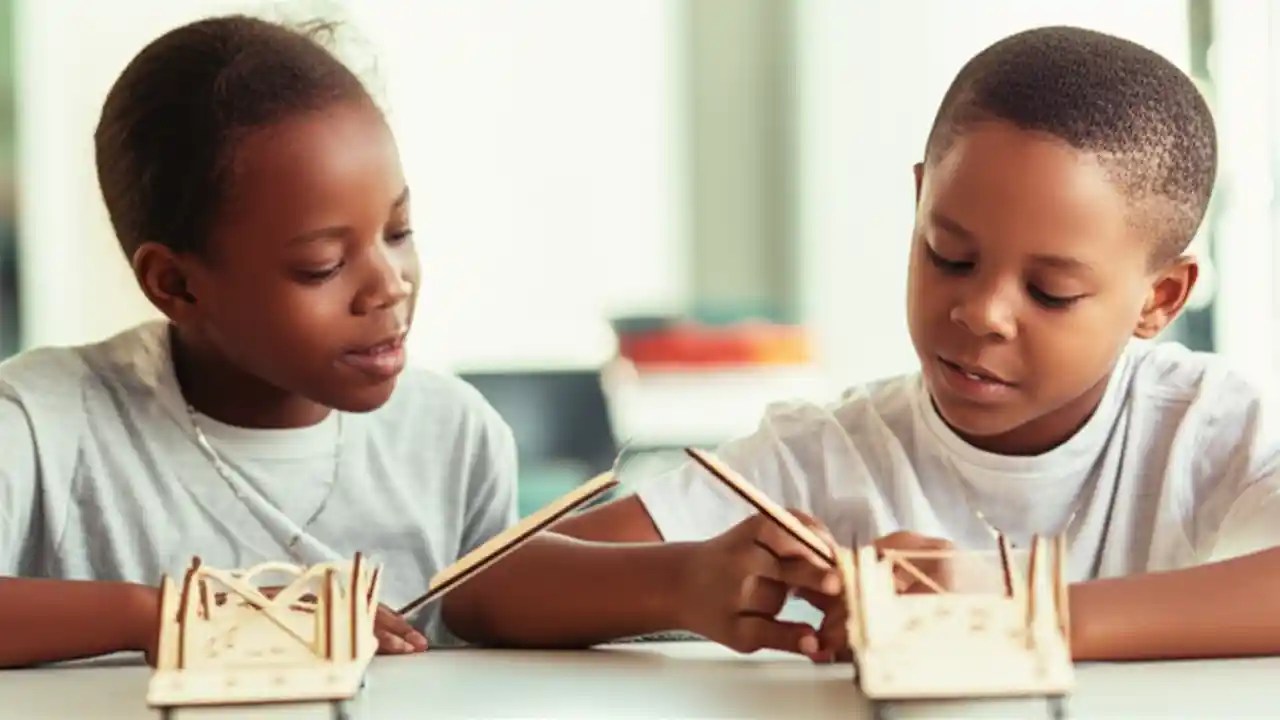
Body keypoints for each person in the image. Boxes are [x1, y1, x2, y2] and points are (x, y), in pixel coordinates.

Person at [446, 26, 1280, 662]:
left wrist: (1014, 606)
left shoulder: (1205, 426)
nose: (982, 312)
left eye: (1050, 292)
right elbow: (480, 590)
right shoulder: (827, 456)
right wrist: (680, 580)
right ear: (918, 203)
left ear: (1159, 300)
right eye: (948, 254)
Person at [0, 15, 516, 668]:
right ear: (177, 285)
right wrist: (171, 616)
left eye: (398, 231)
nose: (389, 286)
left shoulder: (454, 438)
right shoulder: (47, 425)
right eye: (322, 265)